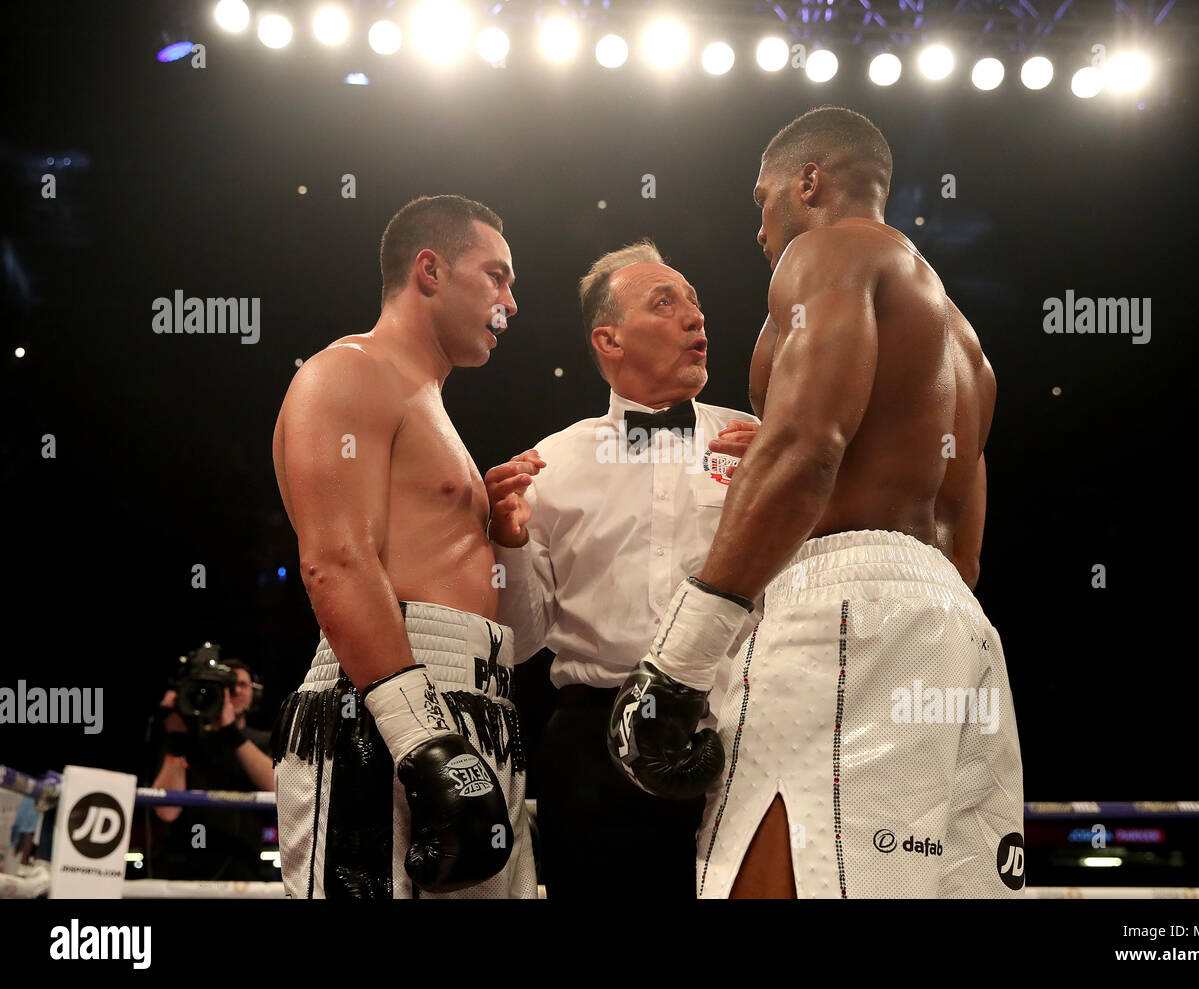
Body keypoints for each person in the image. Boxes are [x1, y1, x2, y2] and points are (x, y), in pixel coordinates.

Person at [608, 106, 1025, 898]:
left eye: (761, 202)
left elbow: (809, 448)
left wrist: (678, 662)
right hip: (953, 630)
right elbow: (962, 557)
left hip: (840, 610)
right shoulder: (967, 345)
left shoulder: (825, 252)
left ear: (808, 182)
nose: (761, 232)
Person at [270, 194, 534, 899]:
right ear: (430, 270)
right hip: (384, 713)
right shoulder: (350, 371)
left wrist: (501, 540)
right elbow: (336, 561)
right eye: (497, 276)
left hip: (478, 702)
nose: (511, 300)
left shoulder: (431, 405)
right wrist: (421, 737)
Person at [487, 240, 759, 899]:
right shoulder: (553, 463)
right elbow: (521, 642)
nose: (694, 317)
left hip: (739, 731)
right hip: (592, 748)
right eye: (664, 304)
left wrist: (789, 484)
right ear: (608, 339)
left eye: (694, 303)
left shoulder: (760, 442)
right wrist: (509, 546)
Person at [152, 658, 274, 881]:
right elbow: (167, 811)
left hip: (242, 873)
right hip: (180, 873)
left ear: (254, 694)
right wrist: (175, 740)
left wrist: (231, 733)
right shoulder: (183, 742)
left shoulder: (265, 741)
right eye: (227, 685)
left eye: (242, 685)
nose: (235, 690)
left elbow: (277, 786)